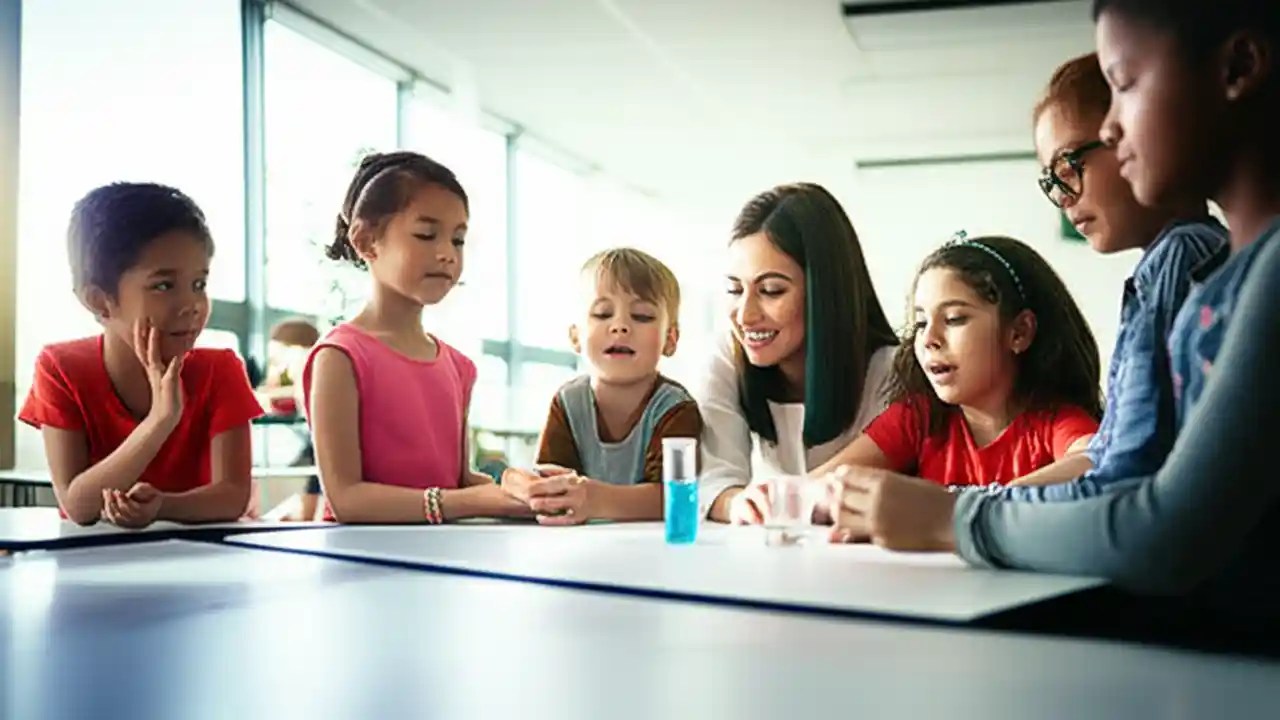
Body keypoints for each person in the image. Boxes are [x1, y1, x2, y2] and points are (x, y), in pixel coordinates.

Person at [831, 0, 1280, 628]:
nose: (1114, 128)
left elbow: (1162, 522)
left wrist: (952, 516)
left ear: (1239, 66)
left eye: (1125, 85)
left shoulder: (1216, 264)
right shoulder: (1226, 277)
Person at [992, 51, 1226, 502]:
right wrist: (984, 500)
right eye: (1052, 181)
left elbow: (1128, 469)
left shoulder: (1182, 256)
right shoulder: (1165, 262)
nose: (1064, 197)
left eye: (1069, 167)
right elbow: (1105, 454)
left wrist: (972, 512)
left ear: (1131, 134)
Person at [19, 183, 262, 526]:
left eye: (199, 284)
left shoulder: (220, 369)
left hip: (202, 552)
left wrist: (161, 506)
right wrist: (159, 422)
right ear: (99, 301)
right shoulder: (60, 368)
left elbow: (233, 496)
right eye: (164, 285)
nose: (192, 305)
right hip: (90, 554)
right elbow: (78, 505)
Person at [303, 151, 527, 523]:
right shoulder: (339, 356)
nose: (447, 254)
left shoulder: (459, 366)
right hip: (356, 553)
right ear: (366, 240)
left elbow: (457, 482)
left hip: (442, 551)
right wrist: (474, 501)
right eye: (426, 235)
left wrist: (526, 493)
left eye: (458, 240)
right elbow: (347, 499)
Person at [814, 235, 1102, 489]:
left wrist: (975, 507)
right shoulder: (919, 420)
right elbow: (819, 488)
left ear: (1019, 332)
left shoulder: (1054, 422)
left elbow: (1097, 463)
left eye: (954, 319)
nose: (929, 339)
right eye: (921, 323)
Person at [696, 183, 898, 524]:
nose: (745, 315)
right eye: (735, 289)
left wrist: (781, 500)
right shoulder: (728, 355)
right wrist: (737, 503)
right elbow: (713, 480)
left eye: (771, 290)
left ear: (824, 293)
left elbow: (868, 487)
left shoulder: (892, 371)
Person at [501, 248, 702, 524]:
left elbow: (676, 497)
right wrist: (524, 484)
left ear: (670, 339)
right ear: (575, 336)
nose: (620, 326)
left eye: (642, 316)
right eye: (602, 313)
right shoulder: (568, 402)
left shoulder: (676, 408)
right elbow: (550, 477)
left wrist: (594, 500)